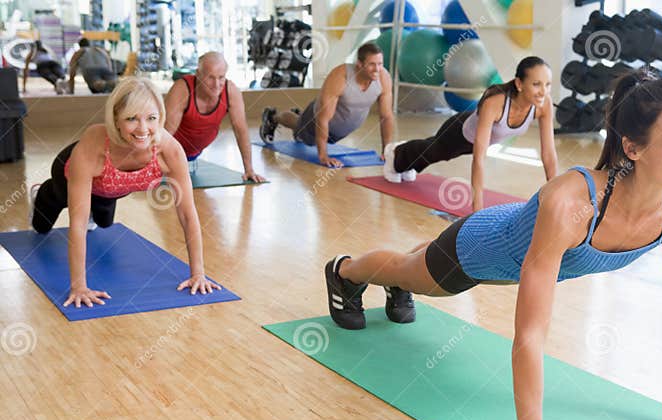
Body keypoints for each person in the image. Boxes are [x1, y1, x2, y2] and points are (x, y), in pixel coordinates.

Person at [323, 69, 662, 420]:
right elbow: (529, 334)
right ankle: (344, 271)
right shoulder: (572, 202)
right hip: (479, 251)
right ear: (633, 147)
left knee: (413, 266)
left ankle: (403, 273)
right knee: (408, 272)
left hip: (525, 257)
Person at [30, 77, 220, 307]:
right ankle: (43, 193)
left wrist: (198, 273)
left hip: (110, 188)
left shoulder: (169, 151)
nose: (143, 129)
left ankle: (95, 206)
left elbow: (187, 214)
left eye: (151, 118)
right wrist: (79, 286)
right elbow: (77, 223)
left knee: (105, 223)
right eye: (131, 118)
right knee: (43, 225)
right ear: (116, 119)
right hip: (68, 173)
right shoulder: (94, 145)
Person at [382, 56, 558, 211]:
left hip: (477, 139)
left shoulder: (544, 104)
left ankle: (404, 156)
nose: (543, 91)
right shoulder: (495, 103)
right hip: (458, 132)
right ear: (519, 84)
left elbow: (548, 154)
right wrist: (477, 207)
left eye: (547, 84)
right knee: (435, 152)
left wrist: (554, 195)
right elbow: (479, 158)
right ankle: (396, 153)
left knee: (431, 150)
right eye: (536, 84)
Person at [259, 43, 394, 168]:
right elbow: (322, 118)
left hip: (339, 130)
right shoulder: (340, 77)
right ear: (359, 64)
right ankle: (273, 117)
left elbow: (386, 116)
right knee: (301, 130)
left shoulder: (383, 78)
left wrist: (386, 151)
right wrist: (323, 156)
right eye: (371, 64)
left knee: (304, 130)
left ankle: (299, 116)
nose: (377, 69)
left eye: (380, 64)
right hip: (317, 119)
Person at [164, 52, 266, 182]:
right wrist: (152, 167)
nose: (216, 84)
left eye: (221, 77)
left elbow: (241, 131)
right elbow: (164, 134)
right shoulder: (182, 89)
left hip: (193, 153)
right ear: (198, 74)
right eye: (210, 78)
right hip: (170, 153)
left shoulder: (230, 91)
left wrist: (249, 169)